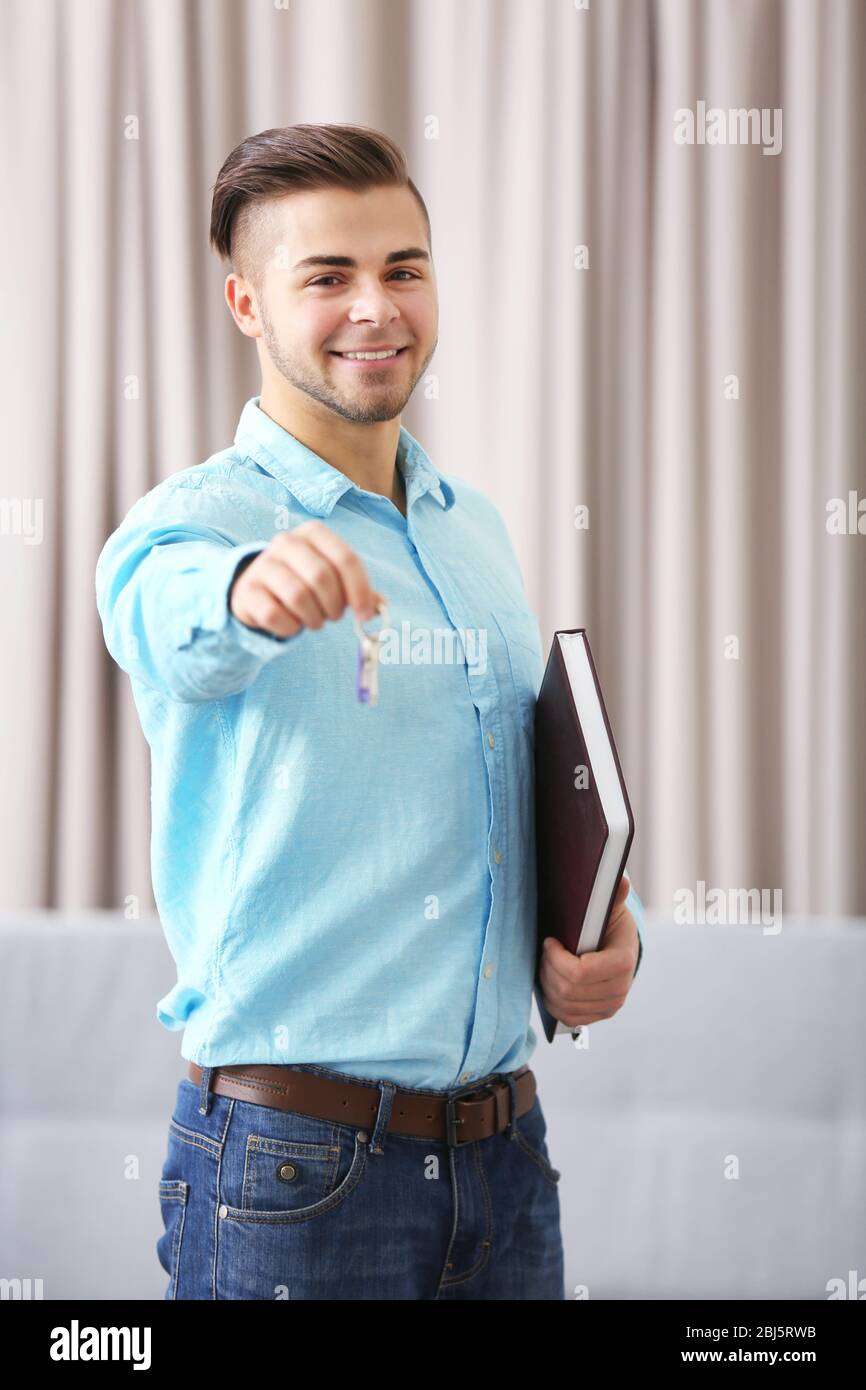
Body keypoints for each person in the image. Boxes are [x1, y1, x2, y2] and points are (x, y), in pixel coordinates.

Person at [95, 122, 646, 1301]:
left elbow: (509, 783)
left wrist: (601, 928)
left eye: (402, 268)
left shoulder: (473, 530)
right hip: (293, 1173)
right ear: (246, 303)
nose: (375, 307)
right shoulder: (198, 522)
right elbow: (156, 614)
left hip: (506, 1162)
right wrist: (248, 591)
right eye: (327, 277)